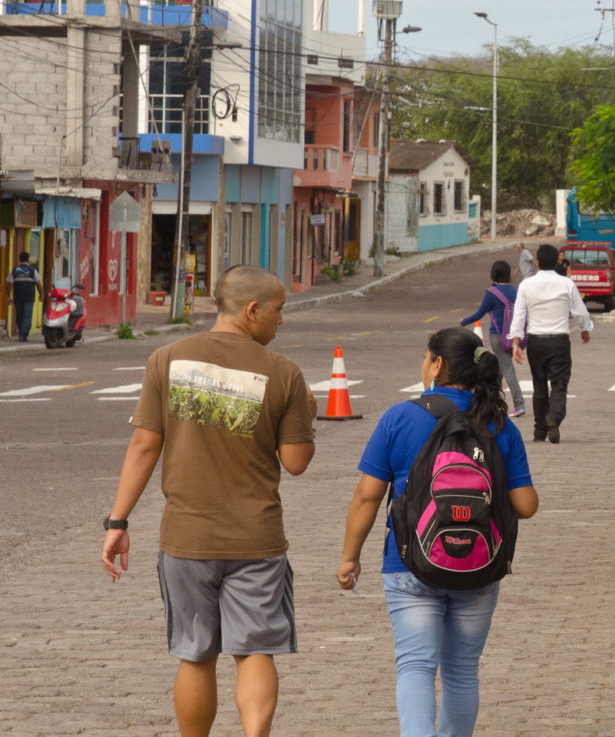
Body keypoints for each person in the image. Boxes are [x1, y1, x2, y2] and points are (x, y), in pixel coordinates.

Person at [101, 265, 315, 737]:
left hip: (187, 539)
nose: (281, 320)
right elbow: (296, 462)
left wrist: (118, 521)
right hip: (256, 540)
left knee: (195, 654)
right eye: (278, 310)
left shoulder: (167, 359)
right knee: (255, 651)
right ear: (252, 310)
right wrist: (305, 417)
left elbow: (144, 448)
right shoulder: (283, 373)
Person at [337, 327, 538, 737]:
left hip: (408, 564)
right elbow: (526, 505)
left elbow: (366, 496)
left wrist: (349, 557)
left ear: (438, 364)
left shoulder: (399, 418)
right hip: (479, 568)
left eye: (425, 357)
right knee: (462, 671)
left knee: (415, 666)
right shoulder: (499, 425)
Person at [509, 243, 592, 444]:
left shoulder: (526, 285)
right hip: (559, 341)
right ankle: (554, 416)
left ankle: (539, 432)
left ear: (537, 262)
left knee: (539, 385)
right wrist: (585, 329)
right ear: (557, 262)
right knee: (559, 383)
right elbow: (580, 312)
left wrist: (515, 344)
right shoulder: (566, 284)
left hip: (535, 341)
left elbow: (519, 315)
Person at [459, 259, 527, 417]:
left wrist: (464, 321)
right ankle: (493, 401)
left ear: (494, 274)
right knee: (501, 369)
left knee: (507, 369)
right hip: (513, 337)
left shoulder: (492, 293)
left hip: (498, 336)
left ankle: (519, 404)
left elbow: (479, 313)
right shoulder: (514, 291)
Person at [9, 250, 41, 341]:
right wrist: (41, 294)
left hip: (18, 297)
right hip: (28, 297)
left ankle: (22, 333)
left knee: (19, 317)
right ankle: (23, 335)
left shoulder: (15, 271)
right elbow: (39, 284)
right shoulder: (33, 271)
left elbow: (9, 284)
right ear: (28, 260)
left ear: (19, 259)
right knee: (27, 317)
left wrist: (8, 296)